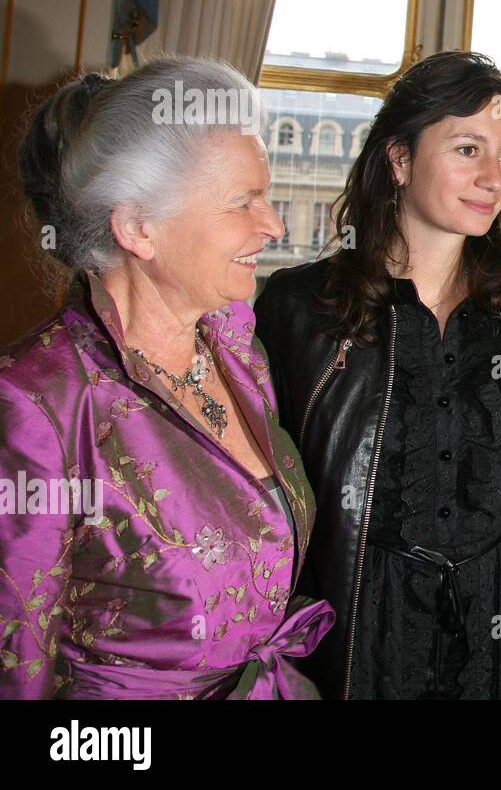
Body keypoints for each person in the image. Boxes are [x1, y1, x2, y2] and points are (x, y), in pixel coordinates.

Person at [0, 58, 333, 699]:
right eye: (244, 202)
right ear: (139, 229)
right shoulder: (37, 402)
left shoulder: (235, 348)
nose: (274, 225)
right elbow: (17, 661)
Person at [254, 51, 501, 700]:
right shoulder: (299, 309)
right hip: (363, 631)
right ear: (399, 159)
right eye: (468, 149)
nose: (493, 176)